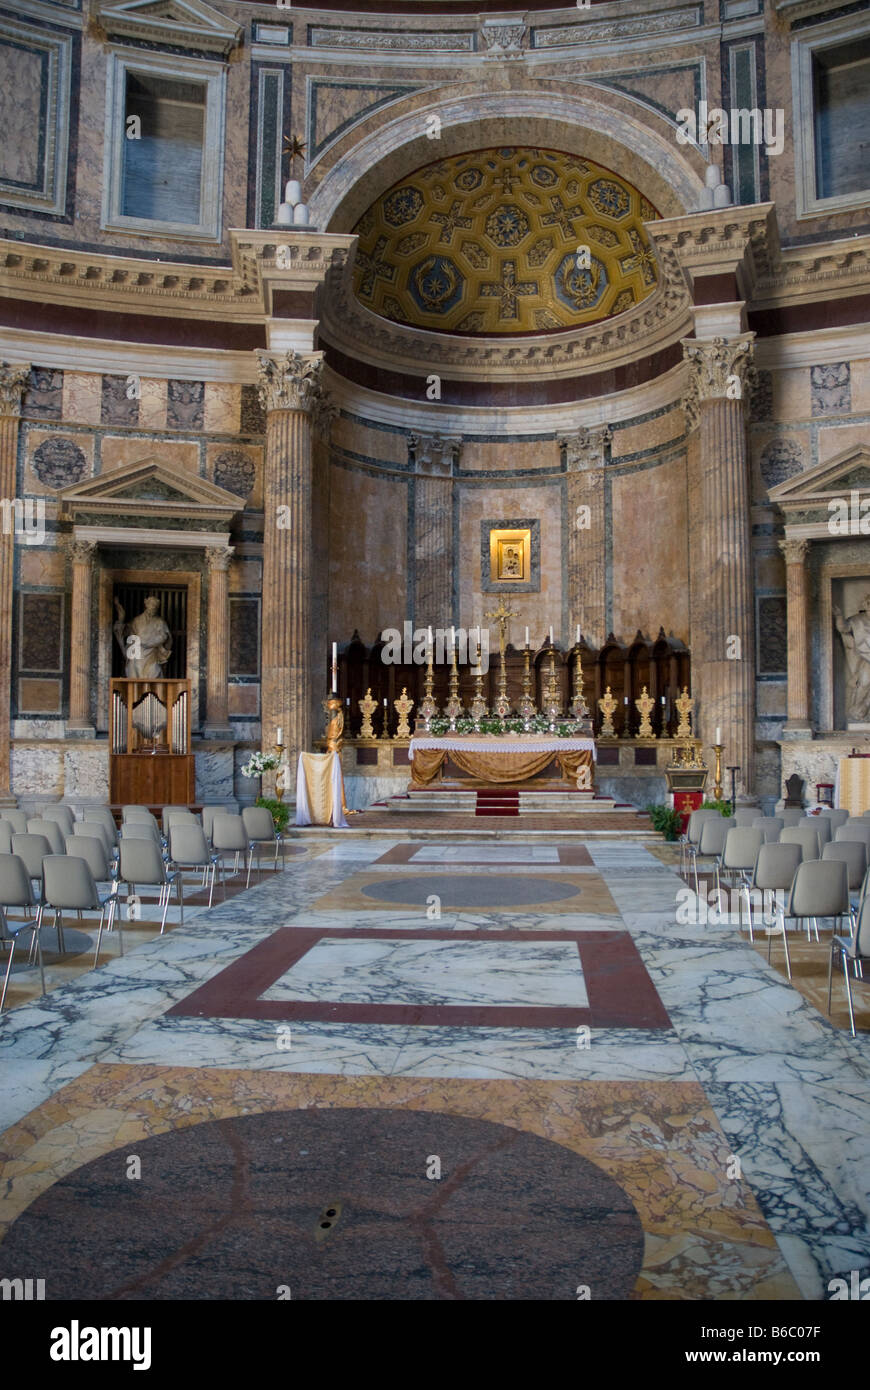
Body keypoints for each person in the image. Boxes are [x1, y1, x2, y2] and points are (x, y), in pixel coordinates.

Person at [113, 595, 172, 678]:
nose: (153, 607)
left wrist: (148, 643)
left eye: (155, 606)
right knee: (133, 671)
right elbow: (127, 632)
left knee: (154, 672)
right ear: (146, 605)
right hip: (137, 653)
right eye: (151, 605)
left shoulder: (160, 622)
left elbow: (164, 636)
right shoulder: (136, 620)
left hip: (151, 653)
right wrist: (121, 621)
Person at [834, 594, 870, 721]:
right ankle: (858, 710)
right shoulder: (857, 620)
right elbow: (843, 628)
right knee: (864, 683)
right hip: (866, 658)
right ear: (864, 605)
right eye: (868, 603)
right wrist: (839, 616)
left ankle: (863, 708)